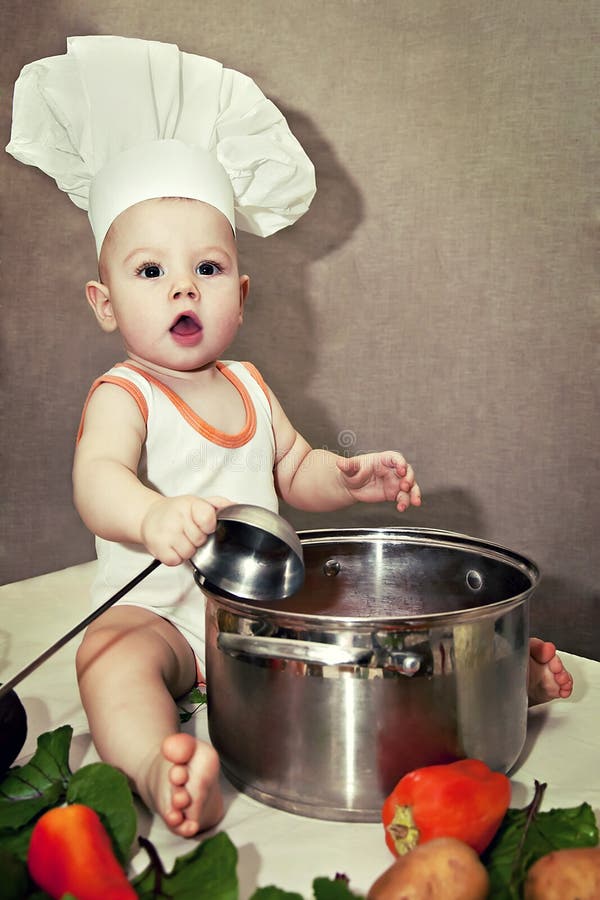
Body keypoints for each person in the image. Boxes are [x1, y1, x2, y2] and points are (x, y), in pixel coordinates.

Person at [6, 37, 571, 841]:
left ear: (239, 293)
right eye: (148, 272)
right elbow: (96, 482)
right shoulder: (127, 394)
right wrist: (149, 518)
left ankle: (496, 683)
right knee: (111, 664)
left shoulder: (249, 385)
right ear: (104, 303)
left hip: (260, 617)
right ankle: (158, 763)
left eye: (205, 268)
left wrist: (346, 478)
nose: (179, 287)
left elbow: (294, 469)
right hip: (159, 613)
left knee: (362, 651)